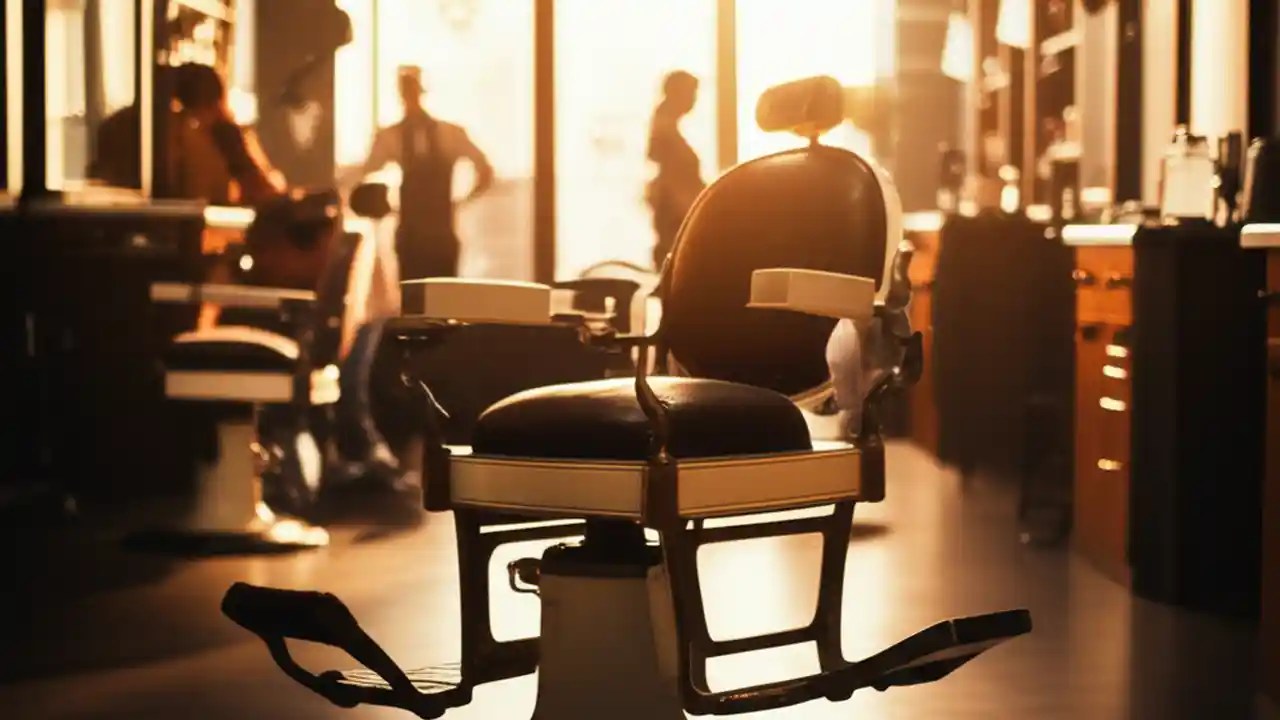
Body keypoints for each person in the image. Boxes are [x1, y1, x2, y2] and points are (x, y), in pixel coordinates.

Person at [340, 65, 494, 283]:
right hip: (414, 235)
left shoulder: (446, 133)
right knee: (418, 293)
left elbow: (485, 170)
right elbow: (368, 169)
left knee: (436, 293)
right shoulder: (397, 136)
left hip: (438, 235)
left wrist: (462, 201)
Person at [645, 70, 705, 270]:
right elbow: (676, 183)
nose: (694, 100)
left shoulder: (667, 129)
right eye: (692, 92)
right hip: (676, 217)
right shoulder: (667, 132)